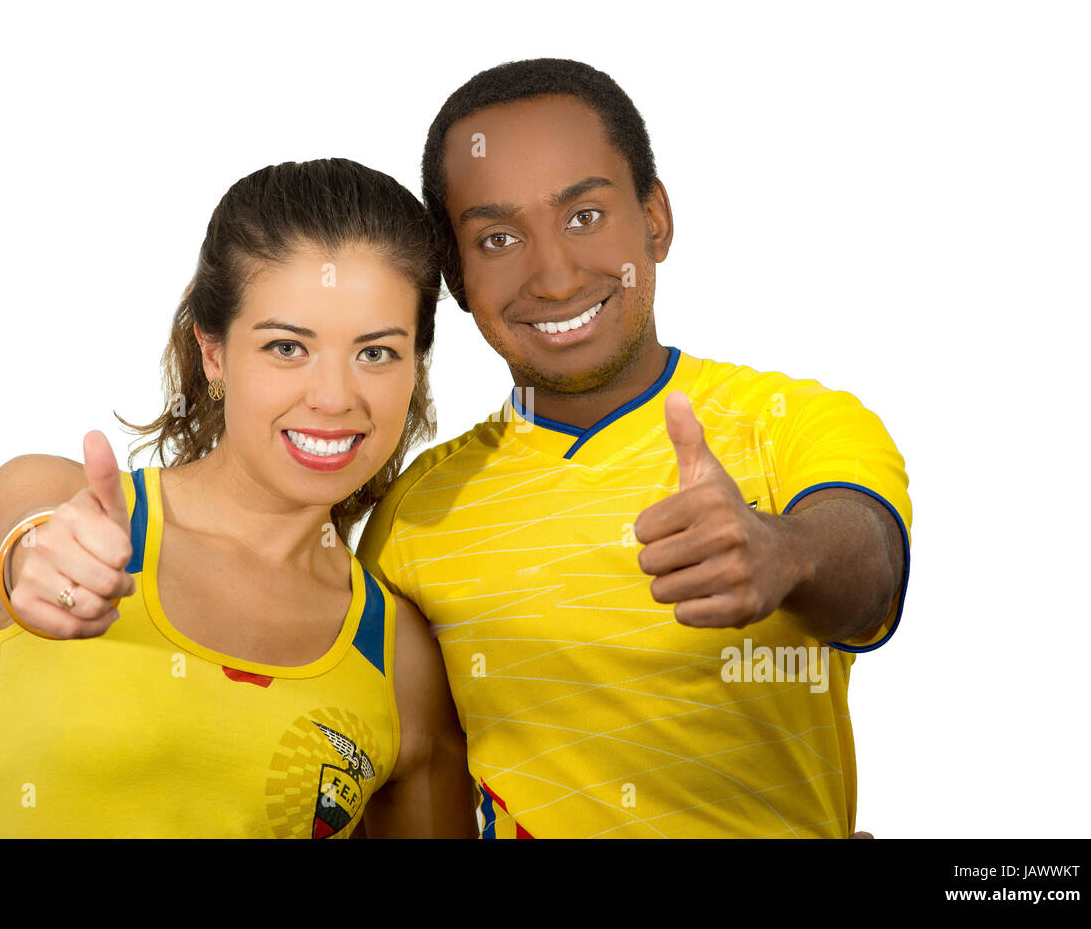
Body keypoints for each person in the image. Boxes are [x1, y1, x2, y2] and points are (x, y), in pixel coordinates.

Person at [356, 59, 912, 838]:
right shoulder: (413, 515)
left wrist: (783, 551)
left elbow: (872, 574)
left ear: (655, 218)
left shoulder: (793, 421)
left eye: (584, 216)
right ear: (454, 273)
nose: (552, 276)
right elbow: (401, 776)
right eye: (498, 236)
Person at [0, 159, 477, 838]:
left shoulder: (399, 655)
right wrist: (38, 553)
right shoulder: (62, 504)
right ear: (212, 352)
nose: (333, 397)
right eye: (285, 346)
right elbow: (27, 539)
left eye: (376, 353)